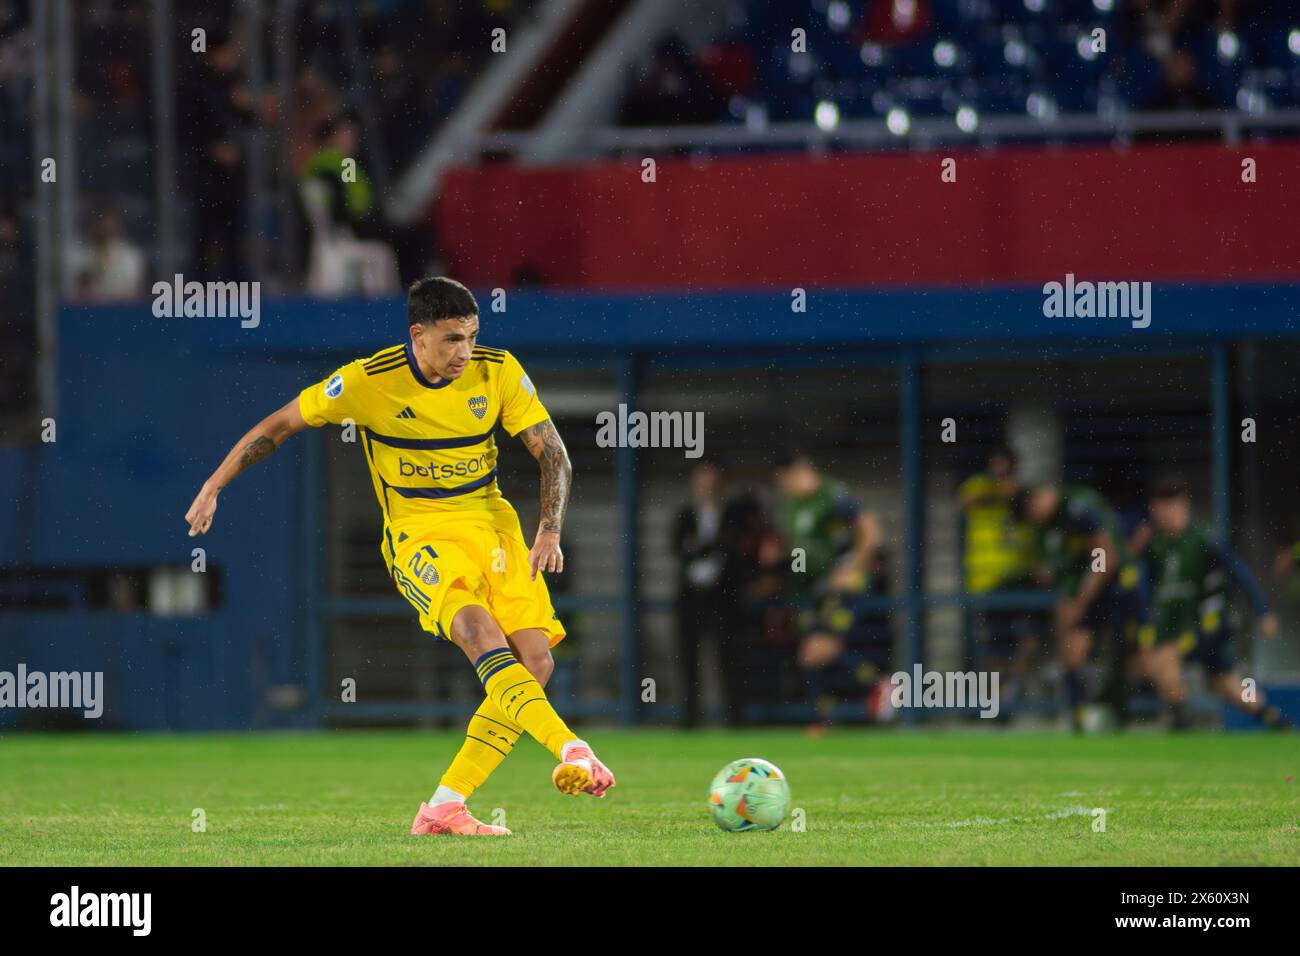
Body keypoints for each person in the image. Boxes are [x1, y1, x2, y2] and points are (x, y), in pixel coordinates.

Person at [185, 277, 614, 837]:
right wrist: (215, 485)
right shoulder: (366, 382)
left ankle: (444, 807)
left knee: (536, 663)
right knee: (478, 631)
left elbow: (552, 451)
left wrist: (549, 529)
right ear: (419, 334)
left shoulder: (497, 370)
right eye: (453, 338)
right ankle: (572, 746)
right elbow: (281, 424)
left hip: (493, 527)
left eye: (473, 336)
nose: (466, 351)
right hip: (420, 535)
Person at [1132, 480, 1290, 729]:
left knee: (1163, 659)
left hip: (1207, 626)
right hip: (1176, 627)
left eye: (1171, 506)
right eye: (1160, 508)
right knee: (1224, 684)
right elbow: (1140, 584)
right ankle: (1276, 720)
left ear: (1183, 507)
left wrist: (1262, 610)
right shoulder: (1156, 547)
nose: (1165, 513)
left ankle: (1181, 725)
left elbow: (1240, 573)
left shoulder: (1203, 540)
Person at [1014, 483, 1153, 731]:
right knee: (1071, 647)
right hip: (1090, 587)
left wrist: (1081, 599)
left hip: (1119, 584)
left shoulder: (1077, 507)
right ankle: (1079, 715)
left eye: (1030, 515)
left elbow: (1104, 555)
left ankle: (1121, 712)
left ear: (1036, 502)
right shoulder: (1051, 527)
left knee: (1136, 654)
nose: (1034, 521)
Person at [772, 450, 885, 730]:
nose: (781, 487)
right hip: (811, 591)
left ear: (796, 472)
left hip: (842, 589)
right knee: (810, 656)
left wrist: (852, 567)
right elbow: (802, 547)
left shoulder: (831, 495)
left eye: (783, 480)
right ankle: (824, 721)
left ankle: (880, 686)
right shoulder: (793, 506)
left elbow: (871, 532)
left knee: (818, 651)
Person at [958, 447, 1043, 719]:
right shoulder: (980, 486)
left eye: (1007, 465)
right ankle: (993, 702)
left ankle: (1013, 687)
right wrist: (1003, 493)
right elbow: (969, 501)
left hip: (1024, 574)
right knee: (996, 644)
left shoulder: (1025, 493)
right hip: (990, 579)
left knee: (1034, 633)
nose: (1001, 470)